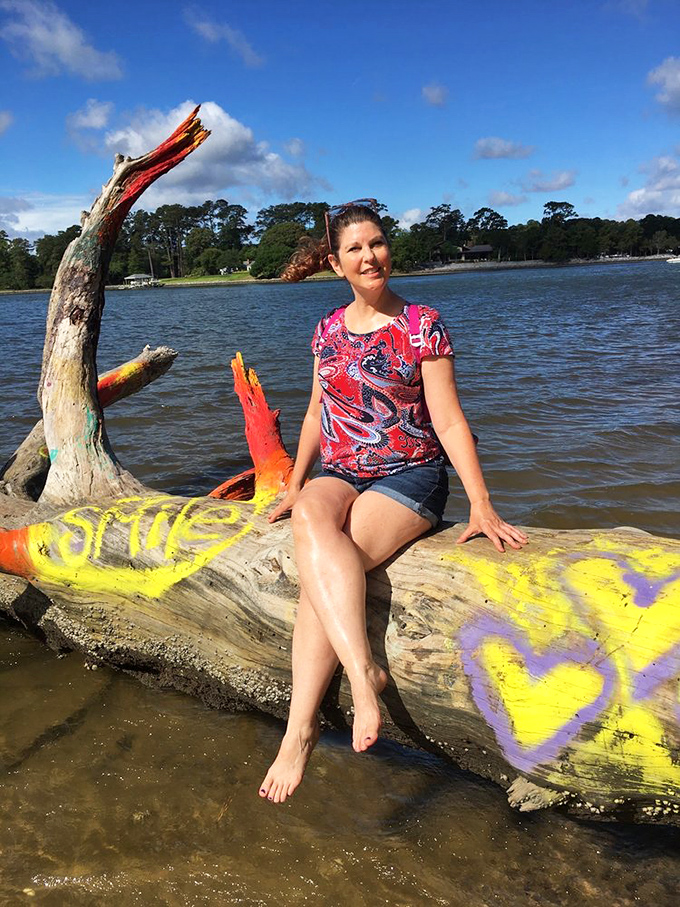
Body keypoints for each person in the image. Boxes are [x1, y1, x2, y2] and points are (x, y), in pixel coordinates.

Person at [258, 199, 527, 804]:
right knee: (310, 521)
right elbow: (316, 413)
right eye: (354, 249)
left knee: (326, 569)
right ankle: (364, 671)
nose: (369, 256)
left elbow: (450, 420)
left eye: (376, 243)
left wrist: (481, 503)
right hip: (342, 470)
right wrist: (297, 483)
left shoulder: (422, 325)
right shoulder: (327, 329)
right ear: (336, 264)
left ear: (387, 249)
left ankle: (300, 730)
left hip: (411, 475)